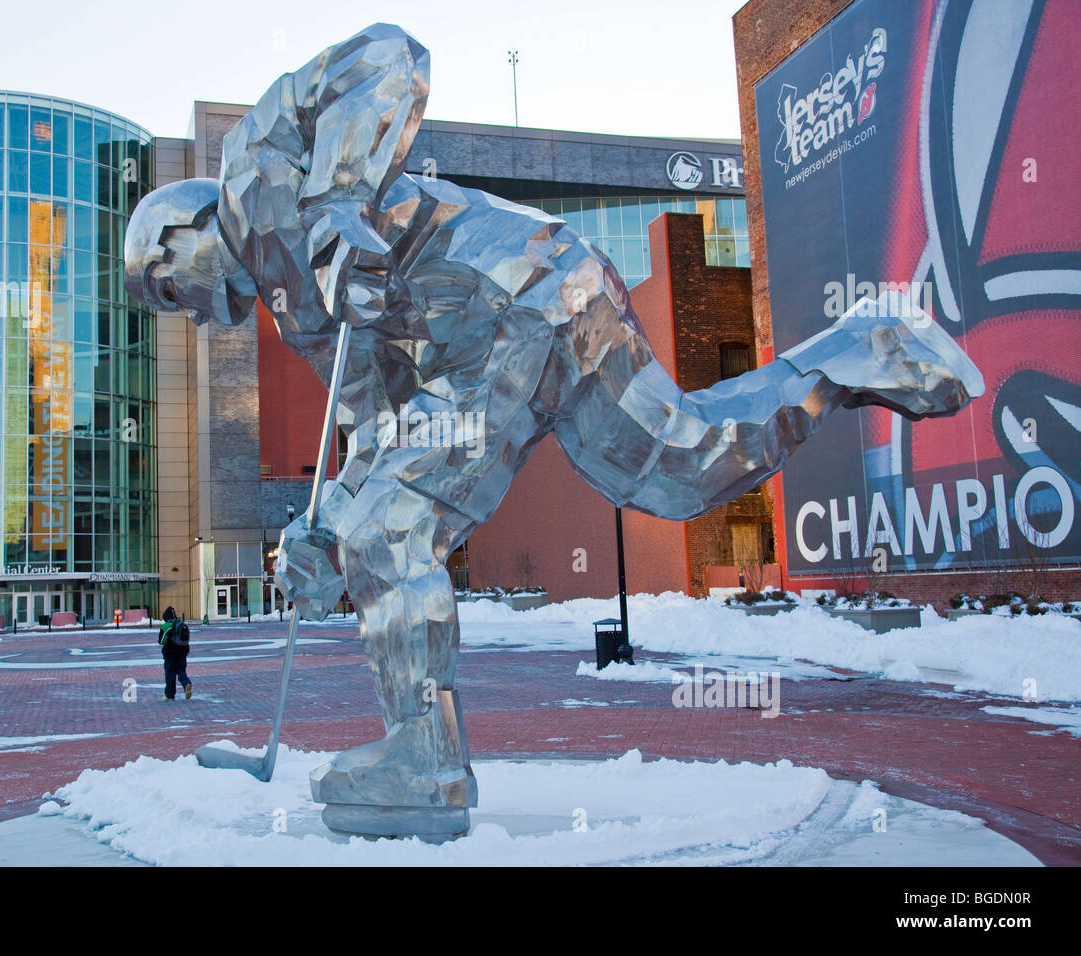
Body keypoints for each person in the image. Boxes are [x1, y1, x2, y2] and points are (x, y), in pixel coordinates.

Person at [124, 23, 981, 835]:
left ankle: (424, 761)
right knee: (674, 464)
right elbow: (375, 420)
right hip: (548, 290)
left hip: (504, 297)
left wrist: (339, 205)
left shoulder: (255, 165)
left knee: (391, 527)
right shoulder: (299, 313)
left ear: (178, 234)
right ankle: (856, 352)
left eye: (173, 291)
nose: (194, 316)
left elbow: (389, 56)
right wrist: (323, 527)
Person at [158, 606, 192, 701]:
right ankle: (186, 684)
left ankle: (170, 695)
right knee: (181, 671)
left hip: (170, 654)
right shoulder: (180, 624)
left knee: (170, 674)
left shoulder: (165, 626)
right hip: (182, 652)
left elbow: (161, 641)